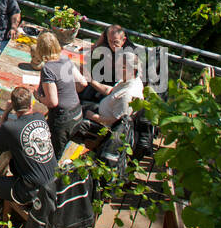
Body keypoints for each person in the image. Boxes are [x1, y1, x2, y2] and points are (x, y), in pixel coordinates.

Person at [0, 86, 58, 205]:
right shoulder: (40, 118)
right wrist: (1, 117)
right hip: (55, 181)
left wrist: (5, 113)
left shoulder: (10, 128)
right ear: (30, 105)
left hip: (32, 191)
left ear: (14, 108)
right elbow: (21, 125)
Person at [35, 31, 88, 159]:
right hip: (77, 112)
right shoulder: (65, 59)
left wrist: (38, 97)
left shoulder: (47, 69)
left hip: (62, 119)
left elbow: (53, 102)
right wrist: (67, 89)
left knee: (53, 156)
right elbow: (83, 82)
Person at [84, 50, 144, 129]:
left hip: (102, 126)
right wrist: (90, 80)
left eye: (122, 67)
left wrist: (92, 116)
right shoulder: (130, 79)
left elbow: (117, 121)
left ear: (134, 70)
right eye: (117, 66)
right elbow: (111, 91)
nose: (117, 70)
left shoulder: (128, 95)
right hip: (100, 111)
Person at [82, 23, 134, 107]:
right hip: (101, 76)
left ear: (123, 40)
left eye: (116, 42)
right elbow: (95, 46)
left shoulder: (129, 54)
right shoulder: (108, 36)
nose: (112, 45)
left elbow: (117, 87)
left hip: (115, 85)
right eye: (110, 41)